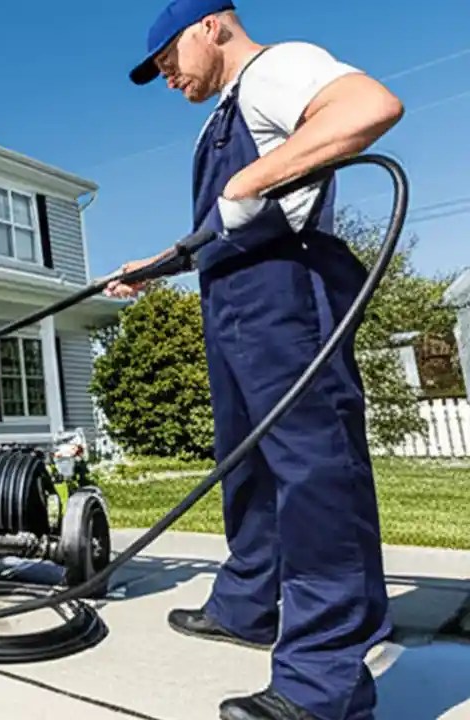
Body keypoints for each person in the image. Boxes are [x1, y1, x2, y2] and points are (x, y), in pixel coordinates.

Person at [106, 2, 405, 719]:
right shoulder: (222, 115)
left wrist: (245, 182)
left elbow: (370, 105)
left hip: (286, 297)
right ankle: (247, 604)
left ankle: (322, 686)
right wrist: (154, 265)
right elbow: (221, 229)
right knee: (248, 466)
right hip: (234, 302)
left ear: (211, 24)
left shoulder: (278, 67)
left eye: (169, 58)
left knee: (313, 475)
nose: (168, 77)